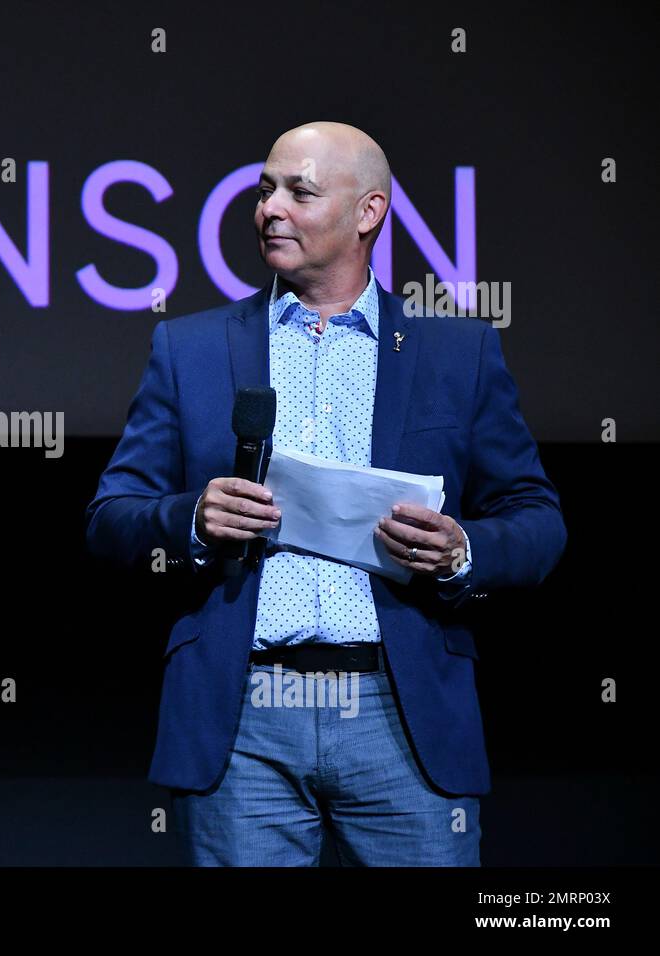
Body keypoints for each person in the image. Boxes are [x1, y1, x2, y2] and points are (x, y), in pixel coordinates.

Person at [86, 122, 565, 866]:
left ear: (368, 212)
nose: (270, 209)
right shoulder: (190, 349)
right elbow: (111, 518)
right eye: (264, 190)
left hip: (401, 713)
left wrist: (462, 548)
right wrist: (192, 519)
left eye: (299, 191)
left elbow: (537, 520)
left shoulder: (457, 353)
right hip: (242, 717)